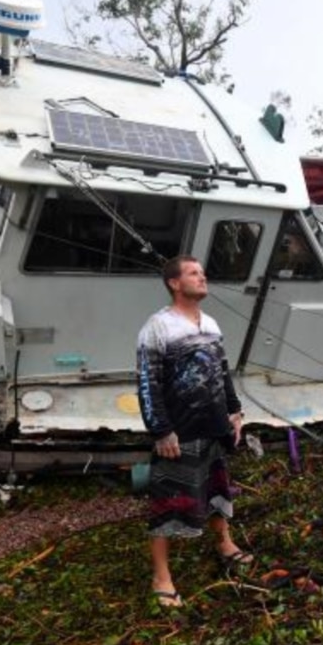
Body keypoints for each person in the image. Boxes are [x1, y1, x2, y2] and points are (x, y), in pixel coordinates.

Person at [136, 254, 251, 609]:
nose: (202, 277)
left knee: (217, 489)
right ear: (174, 283)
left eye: (202, 272)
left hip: (214, 426)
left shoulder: (211, 324)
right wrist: (161, 431)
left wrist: (235, 411)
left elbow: (223, 372)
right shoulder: (157, 327)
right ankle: (161, 576)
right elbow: (147, 383)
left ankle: (224, 544)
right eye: (193, 273)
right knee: (167, 503)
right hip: (180, 433)